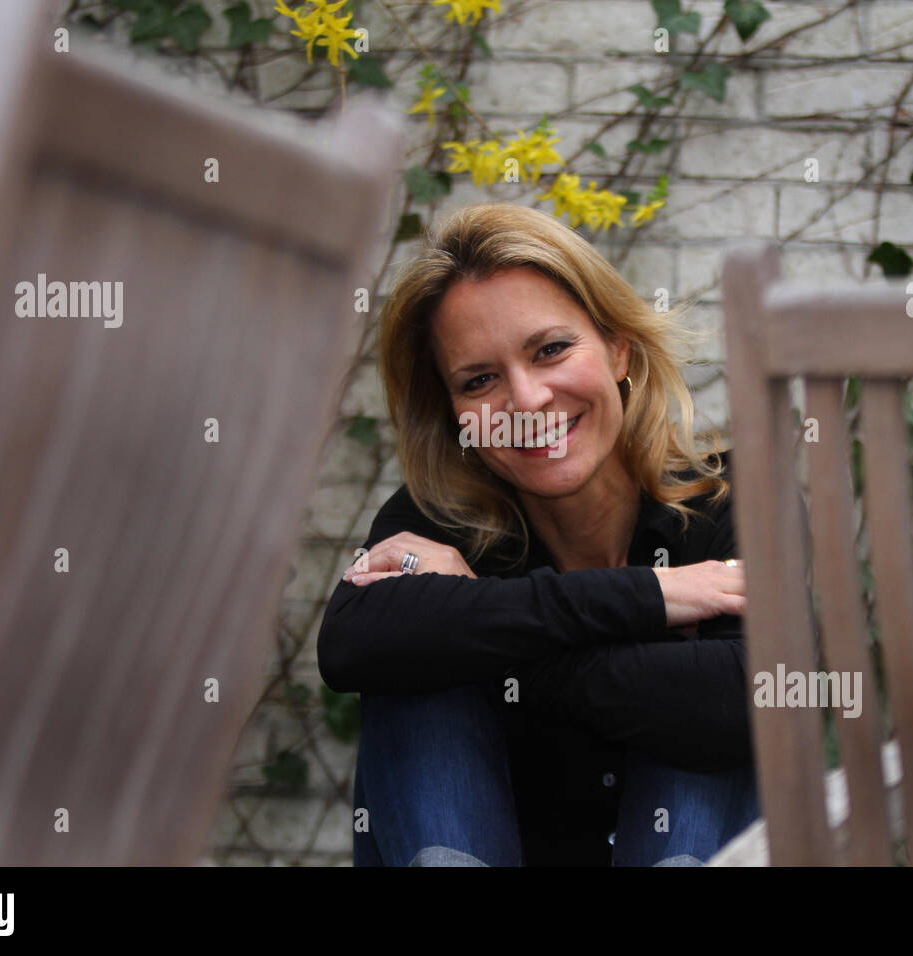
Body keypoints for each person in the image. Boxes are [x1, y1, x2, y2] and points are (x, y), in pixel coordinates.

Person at [317, 202, 759, 866]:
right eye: (480, 380)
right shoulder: (443, 519)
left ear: (618, 348)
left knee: (705, 721)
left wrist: (496, 628)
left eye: (551, 349)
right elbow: (351, 643)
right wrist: (647, 600)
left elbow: (750, 701)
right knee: (416, 674)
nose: (526, 402)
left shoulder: (730, 501)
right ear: (456, 414)